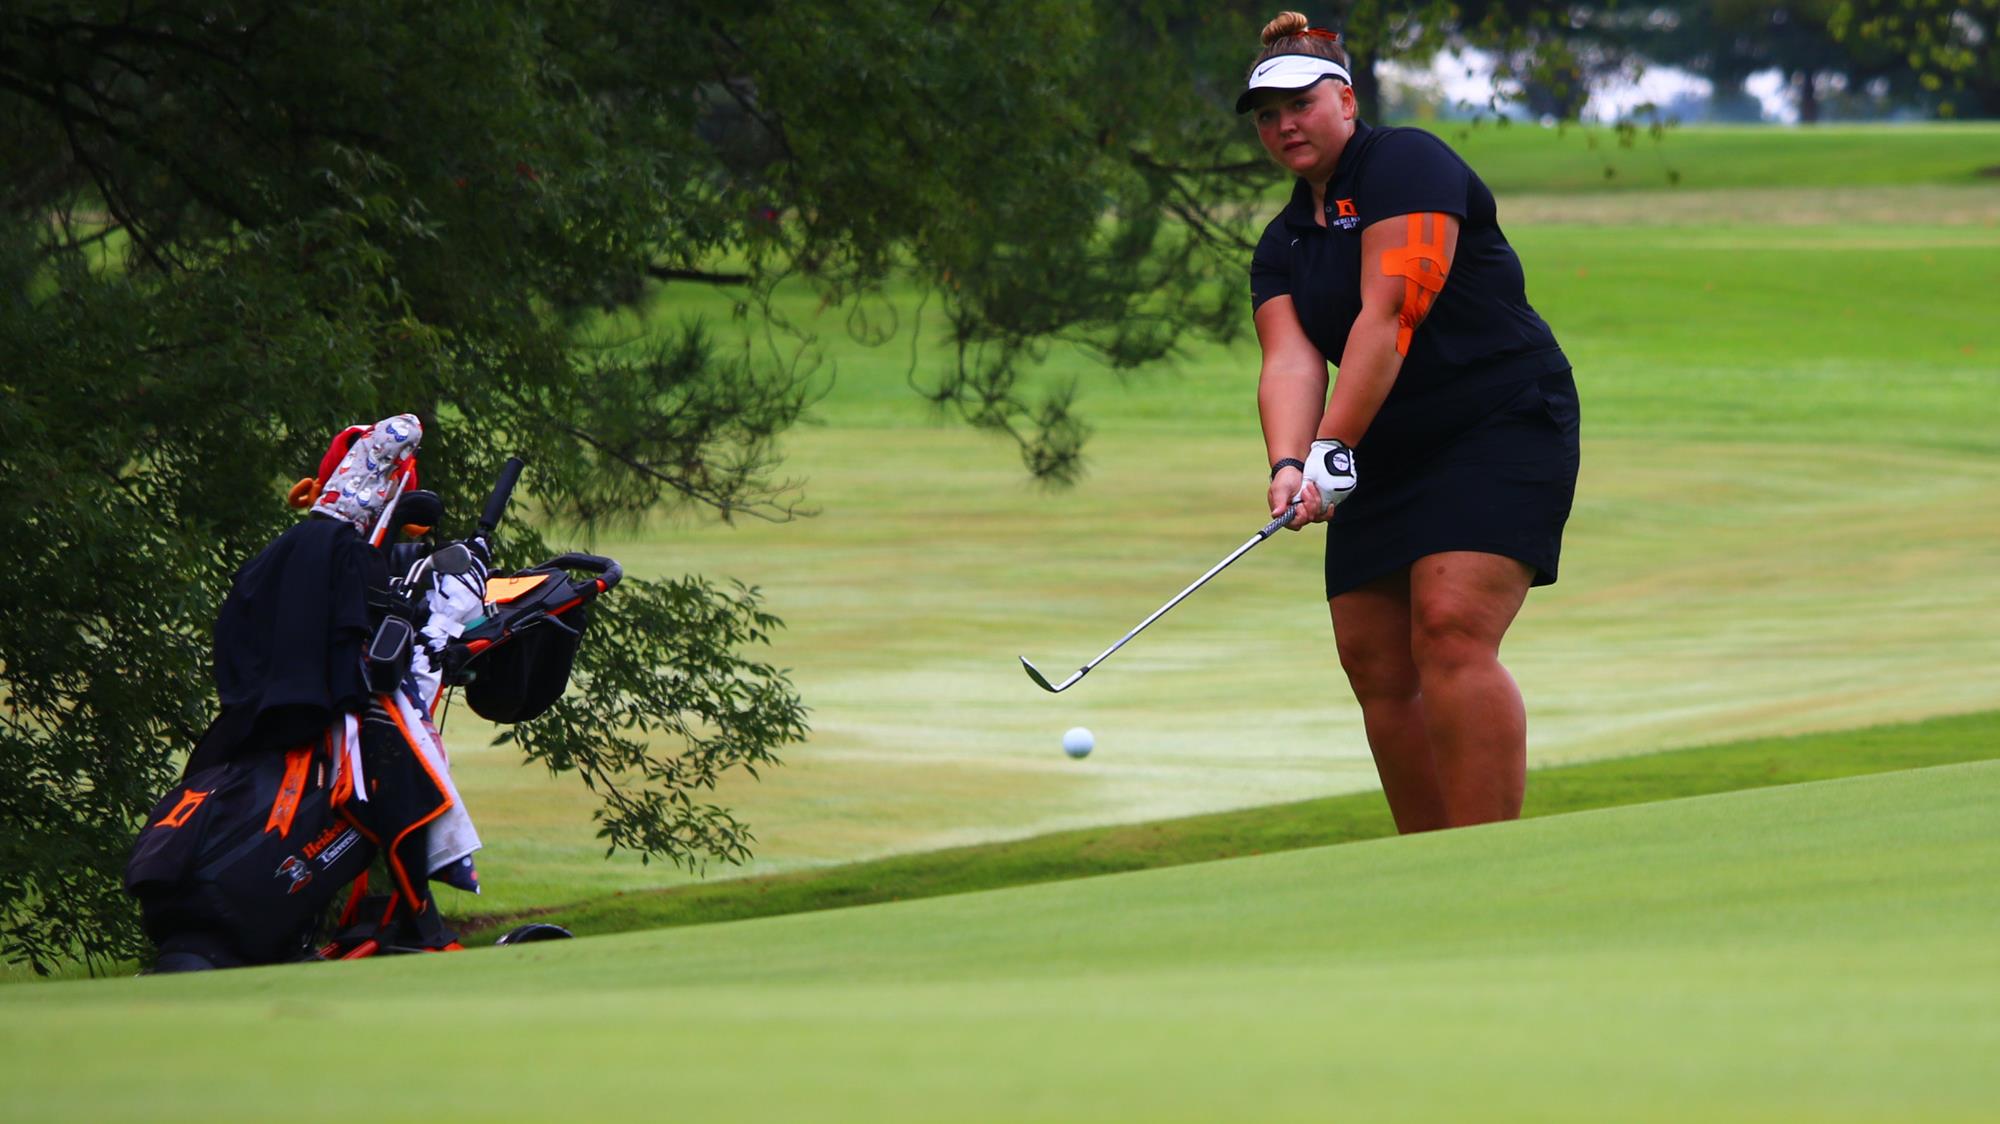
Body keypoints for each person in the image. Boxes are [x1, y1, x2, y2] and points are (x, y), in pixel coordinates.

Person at [1238, 12, 1581, 832]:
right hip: (1380, 450)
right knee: (1374, 659)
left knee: (1451, 625)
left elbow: (1392, 313)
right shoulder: (1283, 243)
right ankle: (1428, 868)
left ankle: (1485, 857)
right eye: (1265, 113)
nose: (1283, 123)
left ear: (1346, 100)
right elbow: (1289, 361)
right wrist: (1290, 464)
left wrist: (1331, 448)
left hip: (1497, 419)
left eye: (1300, 102)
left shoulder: (1407, 163)